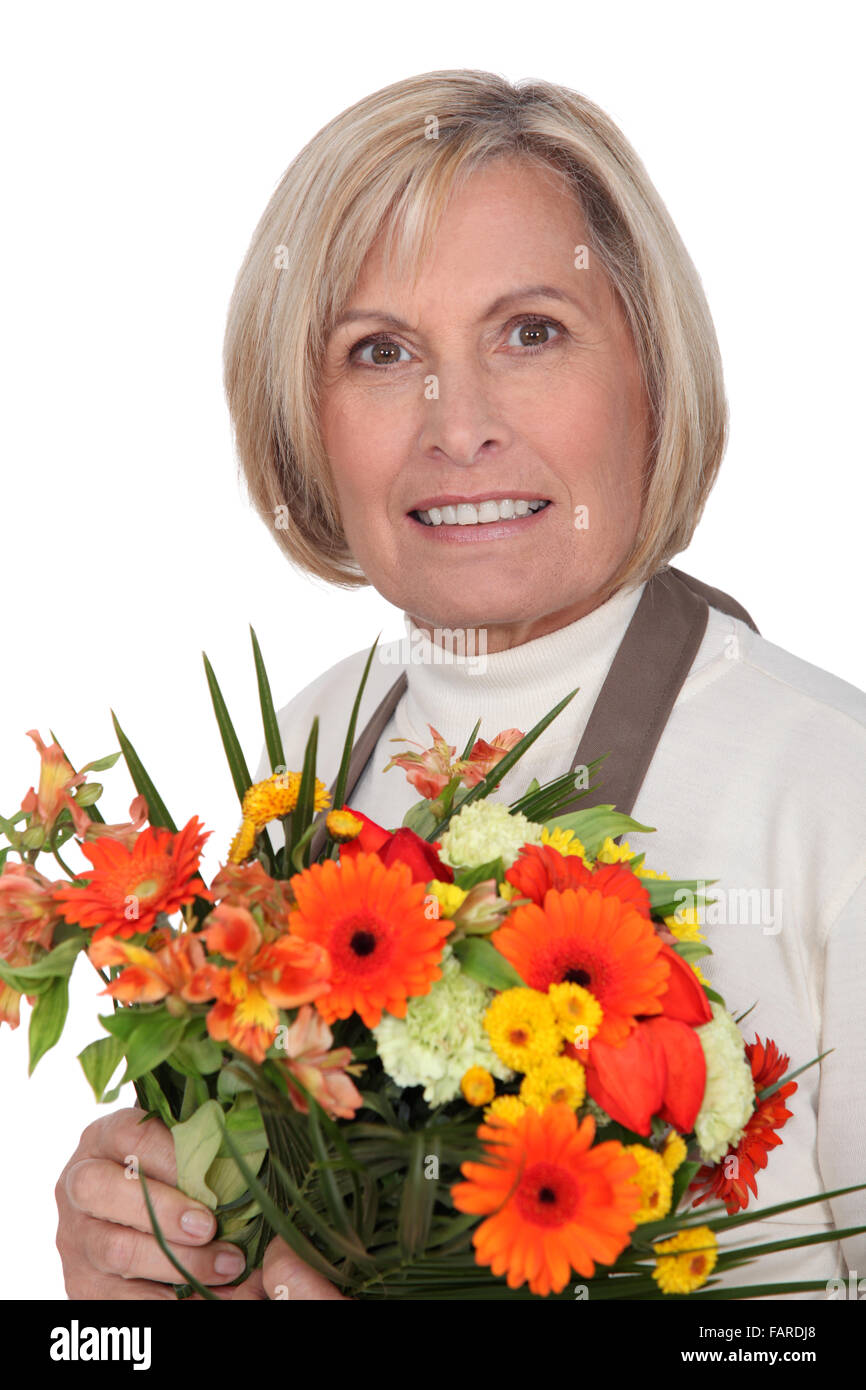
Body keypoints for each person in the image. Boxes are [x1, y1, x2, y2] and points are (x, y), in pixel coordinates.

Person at [55, 70, 866, 1301]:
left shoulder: (831, 790)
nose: (457, 422)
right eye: (380, 352)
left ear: (650, 371)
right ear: (304, 419)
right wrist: (151, 1257)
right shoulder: (313, 746)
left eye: (529, 331)